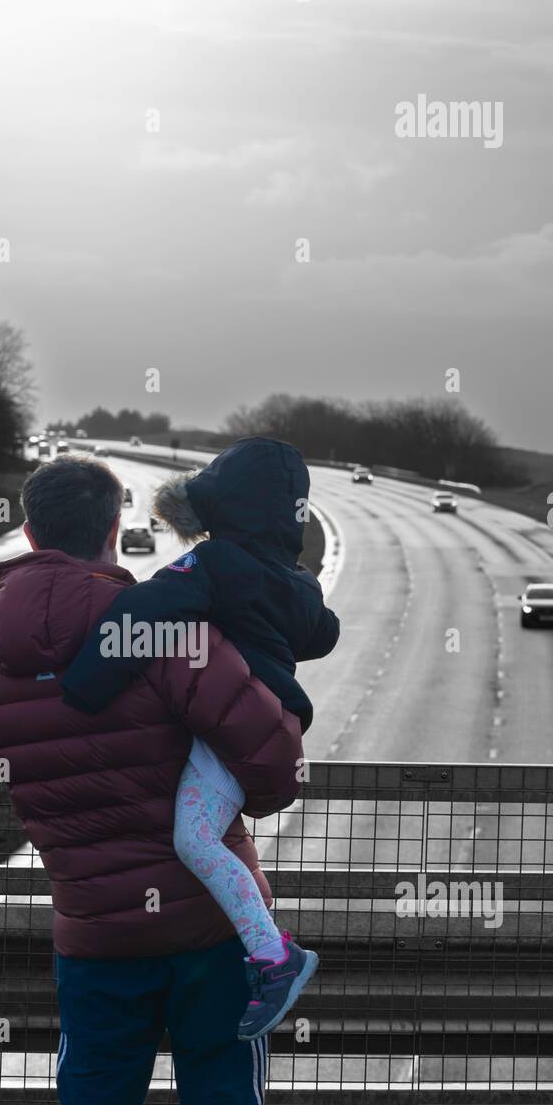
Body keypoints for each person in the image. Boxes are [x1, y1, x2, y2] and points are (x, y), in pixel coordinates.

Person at [0, 454, 303, 1105]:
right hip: (211, 937)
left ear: (30, 530)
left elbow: (9, 764)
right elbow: (275, 766)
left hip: (92, 933)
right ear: (114, 530)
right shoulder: (166, 627)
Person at [61, 437, 340, 1040]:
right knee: (207, 832)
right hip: (272, 725)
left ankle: (274, 956)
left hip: (238, 727)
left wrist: (85, 684)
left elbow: (143, 610)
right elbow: (323, 635)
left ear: (221, 507)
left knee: (193, 838)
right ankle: (267, 949)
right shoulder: (291, 583)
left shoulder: (211, 565)